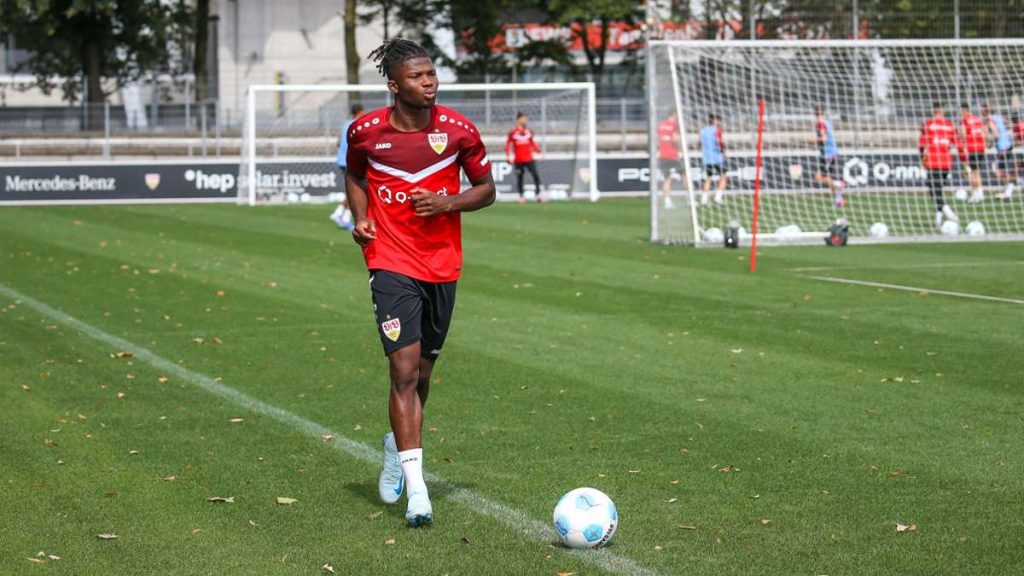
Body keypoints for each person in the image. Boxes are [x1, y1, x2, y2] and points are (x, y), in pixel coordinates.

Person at [344, 38, 496, 527]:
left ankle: (395, 446)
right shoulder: (365, 131)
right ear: (394, 85)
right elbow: (355, 173)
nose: (429, 82)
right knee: (403, 372)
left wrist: (448, 203)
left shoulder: (458, 131)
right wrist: (361, 218)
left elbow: (487, 190)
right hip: (388, 260)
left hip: (441, 263)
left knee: (423, 376)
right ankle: (418, 493)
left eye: (431, 74)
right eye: (417, 76)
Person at [919, 102, 966, 228]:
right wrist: (964, 160)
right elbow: (959, 145)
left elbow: (922, 144)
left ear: (933, 110)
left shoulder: (928, 124)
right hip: (946, 163)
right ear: (943, 110)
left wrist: (921, 158)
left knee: (934, 191)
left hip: (933, 162)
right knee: (938, 190)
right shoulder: (950, 125)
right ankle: (938, 219)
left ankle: (949, 213)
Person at [330, 103, 365, 230]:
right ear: (359, 112)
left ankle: (339, 213)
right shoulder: (358, 125)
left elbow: (338, 143)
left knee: (353, 190)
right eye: (362, 112)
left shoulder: (346, 124)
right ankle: (344, 217)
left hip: (341, 160)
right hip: (350, 161)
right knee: (356, 190)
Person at [505, 112, 543, 203]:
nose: (525, 120)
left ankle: (537, 195)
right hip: (519, 160)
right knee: (520, 177)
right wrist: (508, 156)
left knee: (536, 176)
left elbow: (532, 142)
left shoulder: (529, 131)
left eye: (525, 118)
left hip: (529, 159)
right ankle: (521, 196)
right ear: (518, 120)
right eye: (523, 118)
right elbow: (508, 145)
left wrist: (538, 150)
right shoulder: (513, 133)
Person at [814, 104, 846, 208]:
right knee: (829, 178)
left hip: (827, 154)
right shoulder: (827, 122)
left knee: (818, 177)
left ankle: (838, 183)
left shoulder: (820, 124)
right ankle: (839, 201)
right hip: (832, 152)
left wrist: (808, 141)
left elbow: (823, 139)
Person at [982, 103, 1016, 200]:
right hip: (1008, 145)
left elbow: (996, 135)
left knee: (997, 170)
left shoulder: (990, 120)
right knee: (1003, 170)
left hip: (1003, 148)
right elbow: (1006, 125)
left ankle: (1010, 189)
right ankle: (1008, 191)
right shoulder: (998, 117)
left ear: (985, 110)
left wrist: (989, 142)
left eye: (982, 108)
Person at [958, 103, 985, 203]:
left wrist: (964, 147)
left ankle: (976, 195)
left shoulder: (964, 121)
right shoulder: (978, 119)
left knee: (972, 172)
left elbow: (963, 135)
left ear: (964, 110)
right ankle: (980, 194)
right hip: (981, 147)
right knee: (976, 171)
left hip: (972, 148)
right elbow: (983, 132)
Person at [699, 114, 726, 206]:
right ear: (715, 121)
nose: (719, 122)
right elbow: (720, 143)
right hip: (717, 158)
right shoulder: (717, 131)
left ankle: (704, 200)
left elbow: (699, 143)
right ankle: (717, 198)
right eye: (718, 120)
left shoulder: (703, 131)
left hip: (707, 158)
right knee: (723, 177)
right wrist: (723, 151)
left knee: (708, 178)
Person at [657, 111, 681, 209]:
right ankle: (690, 199)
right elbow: (675, 139)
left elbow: (658, 140)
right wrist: (679, 148)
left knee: (667, 178)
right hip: (672, 155)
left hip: (662, 155)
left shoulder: (661, 125)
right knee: (684, 175)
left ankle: (667, 201)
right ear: (675, 115)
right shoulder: (674, 125)